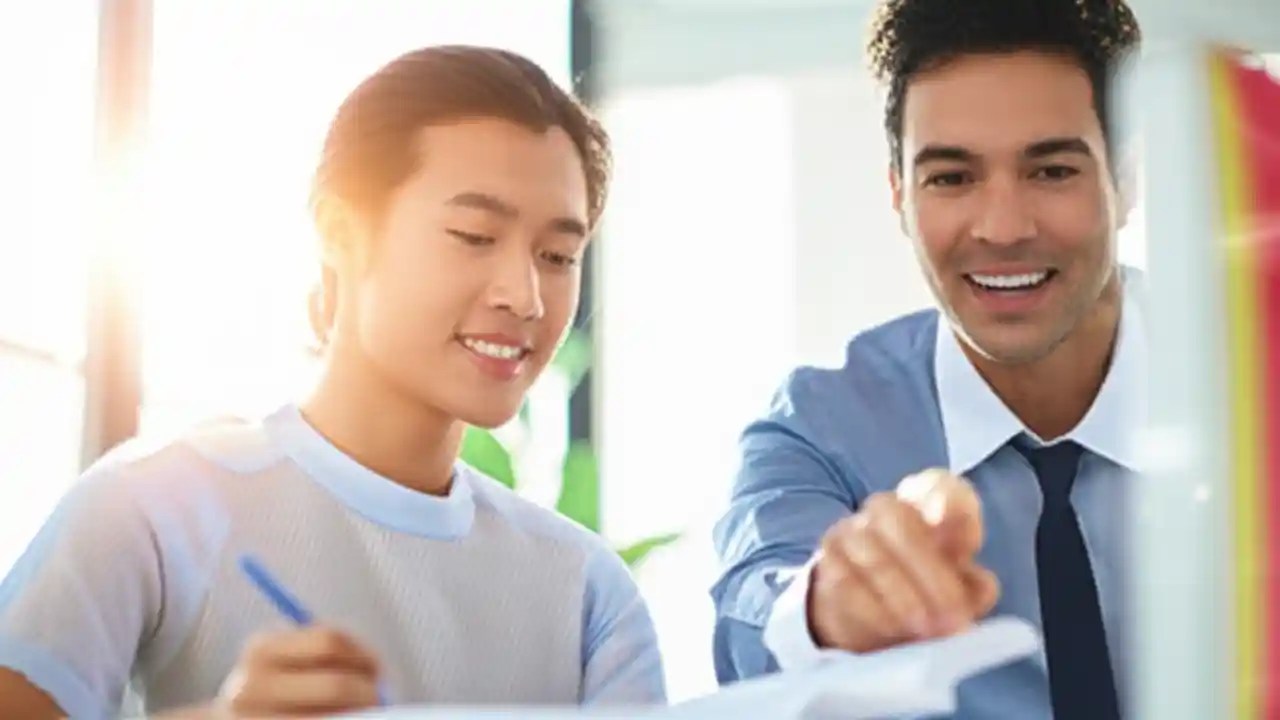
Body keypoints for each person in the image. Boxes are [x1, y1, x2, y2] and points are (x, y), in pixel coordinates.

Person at [0, 45, 665, 719]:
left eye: (557, 256)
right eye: (473, 235)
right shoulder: (149, 507)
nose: (524, 297)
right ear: (342, 233)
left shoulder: (585, 592)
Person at [711, 0, 1143, 717]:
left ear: (1124, 182)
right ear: (898, 196)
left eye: (1052, 171)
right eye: (951, 178)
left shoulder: (1255, 379)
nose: (1002, 228)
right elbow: (755, 620)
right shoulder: (819, 432)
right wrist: (826, 610)